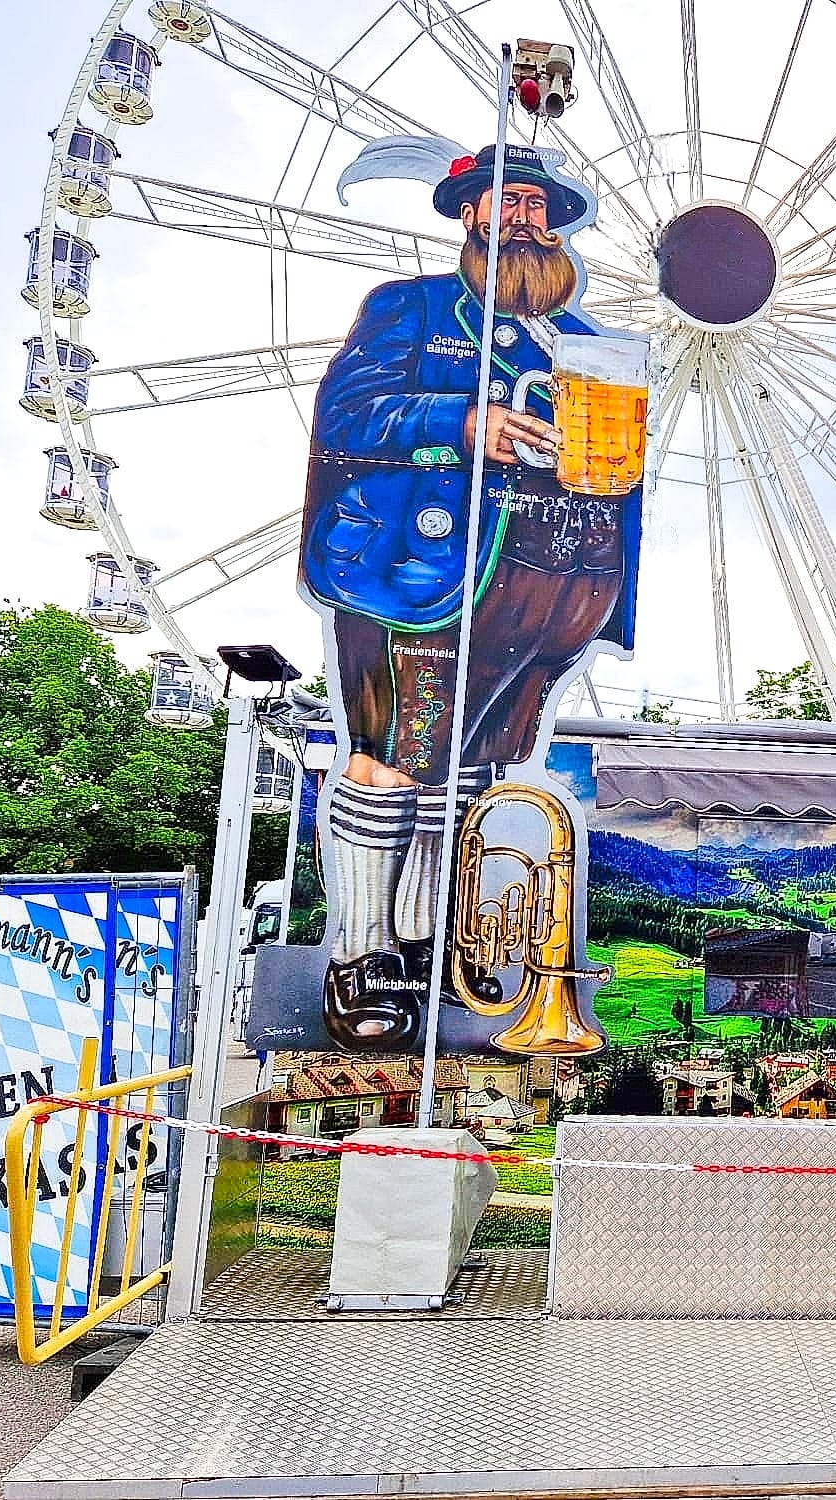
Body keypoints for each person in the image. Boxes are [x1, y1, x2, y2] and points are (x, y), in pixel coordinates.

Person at [299, 142, 642, 1048]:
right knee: (392, 757)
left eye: (537, 206)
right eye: (506, 201)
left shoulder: (579, 343)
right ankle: (360, 955)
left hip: (548, 584)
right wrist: (462, 422)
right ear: (469, 214)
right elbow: (345, 416)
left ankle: (425, 942)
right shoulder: (409, 308)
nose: (524, 218)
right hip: (418, 570)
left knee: (472, 770)